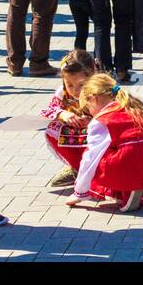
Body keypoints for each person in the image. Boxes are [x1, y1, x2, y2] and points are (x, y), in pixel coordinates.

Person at [66, 73, 143, 214]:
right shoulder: (134, 107)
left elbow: (90, 158)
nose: (89, 113)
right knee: (117, 149)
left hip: (130, 162)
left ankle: (130, 187)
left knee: (94, 157)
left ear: (93, 99)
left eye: (87, 108)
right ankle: (129, 188)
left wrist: (79, 192)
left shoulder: (102, 120)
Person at [40, 49, 97, 188]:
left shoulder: (99, 90)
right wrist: (63, 114)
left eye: (81, 85)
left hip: (98, 135)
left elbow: (114, 113)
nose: (75, 90)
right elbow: (51, 109)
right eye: (70, 84)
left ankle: (97, 171)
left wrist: (93, 121)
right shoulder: (63, 92)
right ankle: (78, 167)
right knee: (52, 128)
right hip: (78, 133)